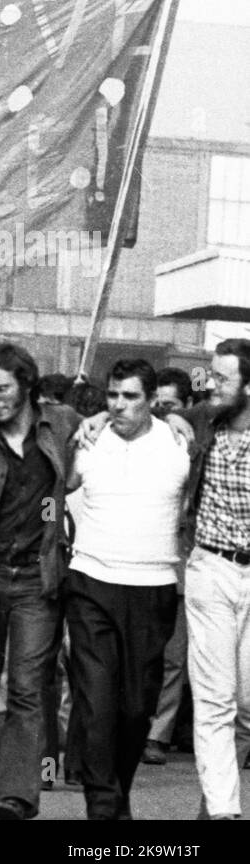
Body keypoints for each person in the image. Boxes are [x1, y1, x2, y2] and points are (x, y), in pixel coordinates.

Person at [0, 342, 79, 820]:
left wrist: (173, 420)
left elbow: (106, 424)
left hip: (36, 576)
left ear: (26, 384)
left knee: (29, 690)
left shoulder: (61, 422)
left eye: (3, 388)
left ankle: (16, 797)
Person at [64, 358, 187, 820]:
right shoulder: (87, 439)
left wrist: (180, 417)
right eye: (112, 395)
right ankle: (103, 806)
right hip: (91, 582)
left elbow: (219, 411)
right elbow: (52, 488)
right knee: (97, 702)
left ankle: (119, 794)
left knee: (137, 710)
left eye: (130, 396)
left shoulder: (179, 440)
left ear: (152, 400)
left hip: (153, 588)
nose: (118, 405)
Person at [174, 340, 250, 818]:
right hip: (211, 570)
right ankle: (223, 813)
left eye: (223, 379)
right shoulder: (204, 423)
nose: (211, 385)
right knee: (215, 701)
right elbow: (146, 419)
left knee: (246, 703)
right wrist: (95, 420)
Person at [143, 366, 195, 766]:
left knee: (173, 659)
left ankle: (158, 735)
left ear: (187, 407)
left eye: (170, 405)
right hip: (136, 565)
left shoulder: (195, 449)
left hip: (181, 570)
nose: (161, 411)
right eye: (156, 403)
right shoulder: (131, 441)